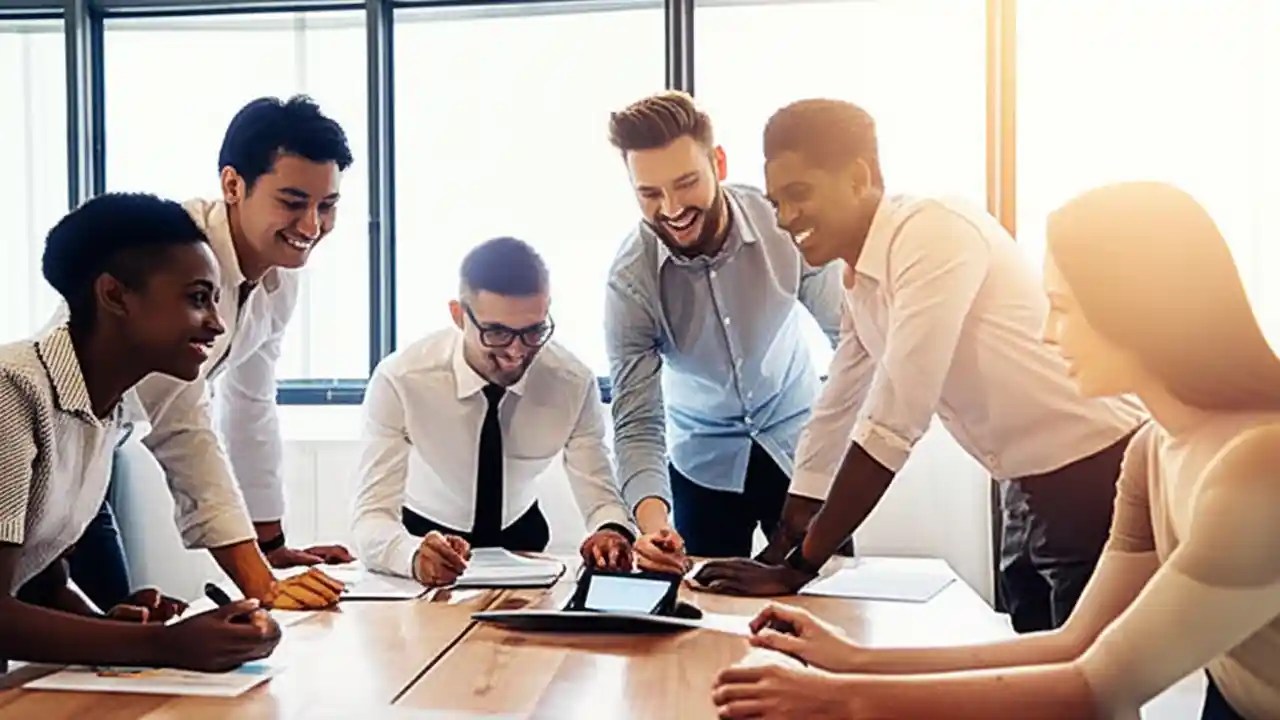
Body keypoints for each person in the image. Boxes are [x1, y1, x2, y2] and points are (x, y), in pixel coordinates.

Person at [711, 181, 1280, 720]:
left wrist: (840, 698)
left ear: (1136, 307)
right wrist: (852, 660)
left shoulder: (1256, 465)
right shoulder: (1152, 450)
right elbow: (1074, 645)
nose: (1048, 333)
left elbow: (1101, 686)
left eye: (1061, 307)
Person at [695, 99, 1147, 635]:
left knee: (1087, 685)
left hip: (1095, 471)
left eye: (799, 194)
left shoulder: (932, 233)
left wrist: (799, 567)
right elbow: (838, 406)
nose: (786, 218)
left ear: (859, 177)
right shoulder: (860, 281)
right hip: (1023, 485)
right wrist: (784, 539)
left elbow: (895, 417)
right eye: (775, 202)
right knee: (1038, 677)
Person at [64, 95, 354, 611]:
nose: (311, 226)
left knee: (111, 644)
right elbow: (183, 425)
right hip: (52, 446)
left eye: (326, 206)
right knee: (90, 649)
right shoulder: (178, 256)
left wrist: (271, 547)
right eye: (292, 202)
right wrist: (259, 581)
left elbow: (251, 401)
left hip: (95, 458)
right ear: (232, 185)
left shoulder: (279, 277)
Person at [1, 193, 283, 673]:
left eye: (216, 301)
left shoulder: (102, 411)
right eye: (197, 299)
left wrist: (115, 626)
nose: (217, 325)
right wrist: (163, 645)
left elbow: (42, 585)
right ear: (114, 296)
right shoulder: (13, 392)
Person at [604, 91, 845, 574]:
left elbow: (851, 338)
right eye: (649, 194)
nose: (672, 209)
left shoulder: (785, 226)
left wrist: (840, 454)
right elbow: (637, 423)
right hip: (702, 465)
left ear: (718, 162)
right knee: (703, 620)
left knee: (830, 600)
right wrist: (652, 527)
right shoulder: (630, 282)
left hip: (800, 448)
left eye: (686, 183)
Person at [352, 237, 637, 586]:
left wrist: (611, 532)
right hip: (421, 539)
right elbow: (371, 518)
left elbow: (600, 493)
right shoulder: (401, 380)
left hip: (522, 542)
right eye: (497, 332)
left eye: (534, 331)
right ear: (458, 316)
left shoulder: (572, 383)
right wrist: (409, 555)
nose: (516, 352)